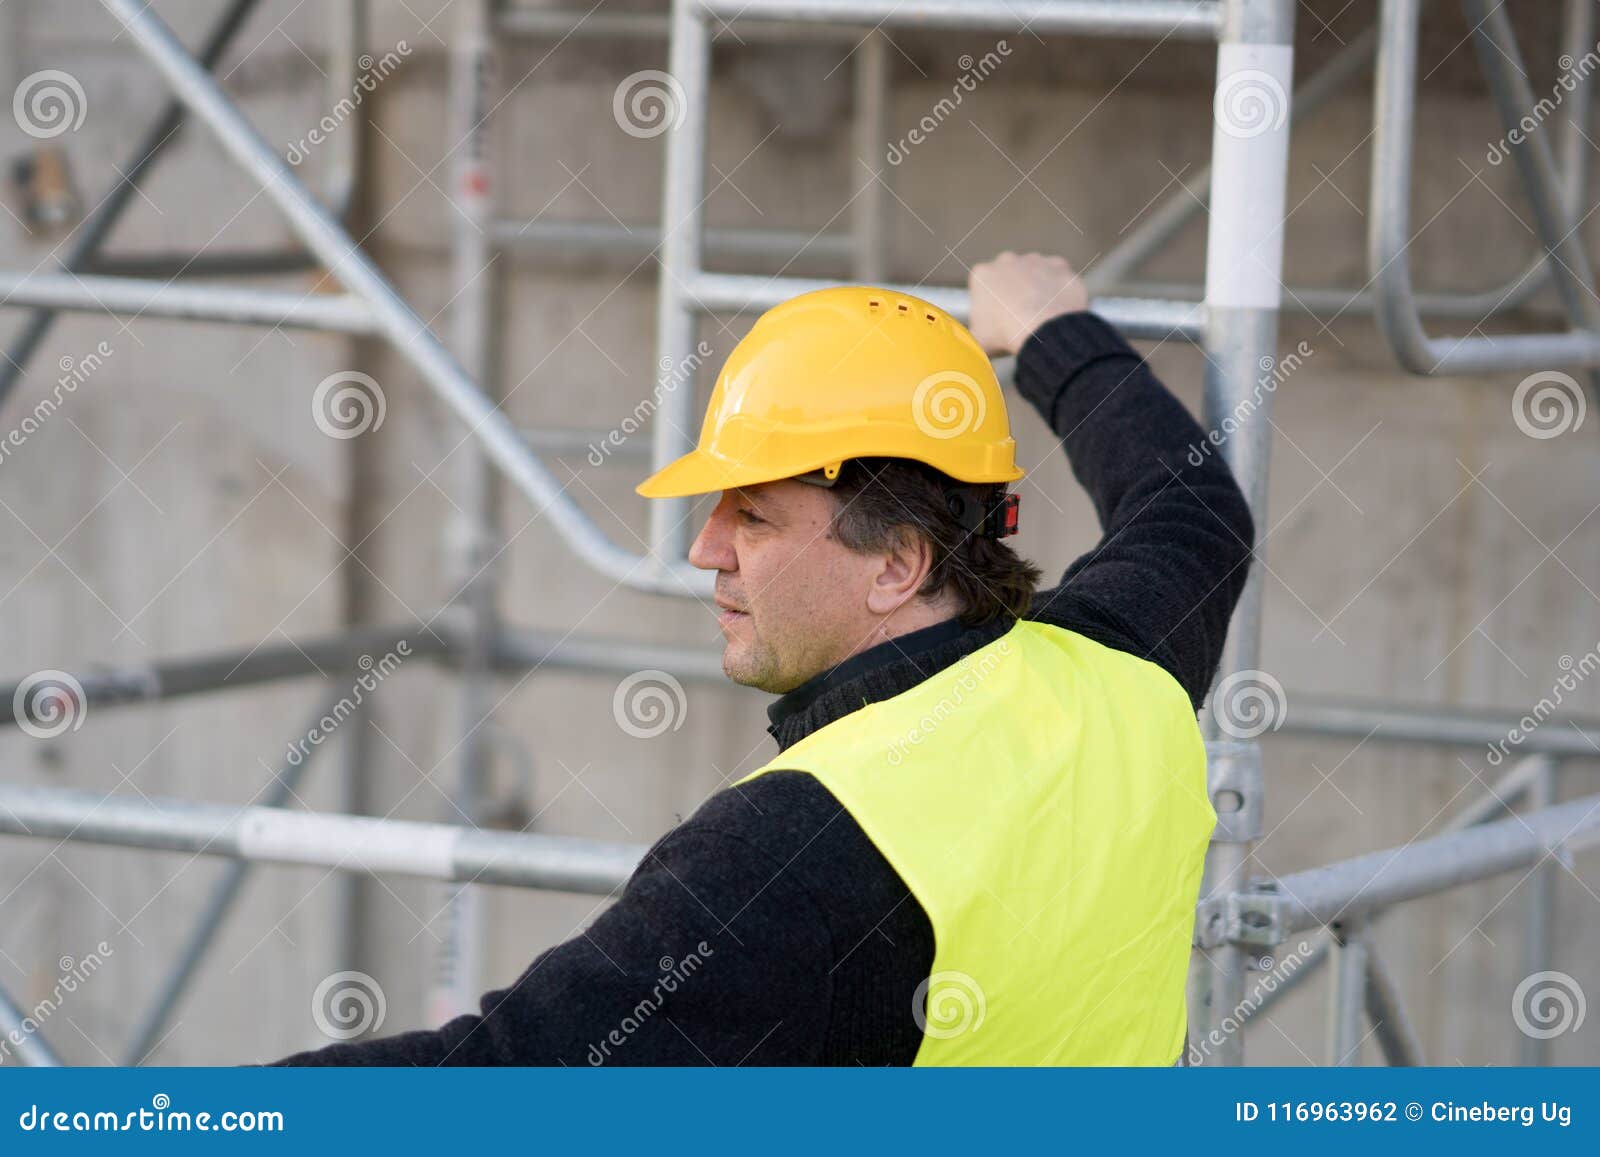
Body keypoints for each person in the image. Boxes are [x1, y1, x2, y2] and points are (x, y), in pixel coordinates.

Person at [271, 251, 1254, 1066]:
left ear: (897, 562)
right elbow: (1193, 509)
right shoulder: (1123, 668)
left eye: (753, 514)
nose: (706, 548)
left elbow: (502, 1076)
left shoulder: (786, 849)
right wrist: (1054, 329)